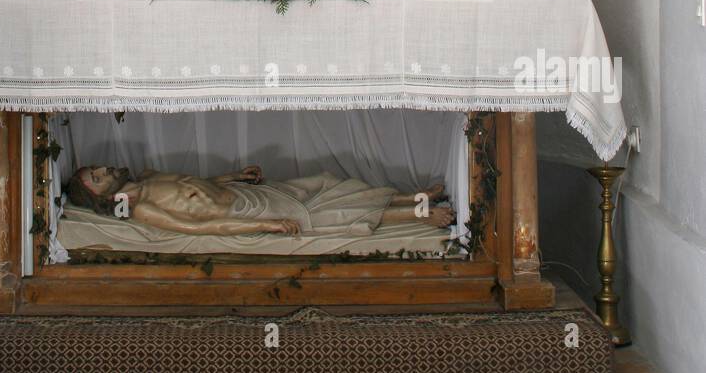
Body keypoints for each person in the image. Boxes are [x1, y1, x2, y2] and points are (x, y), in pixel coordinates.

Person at [66, 163, 455, 237]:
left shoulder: (147, 176)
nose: (104, 171)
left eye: (97, 169)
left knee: (326, 182)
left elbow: (195, 182)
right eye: (97, 179)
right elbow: (202, 227)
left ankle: (412, 196)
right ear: (102, 197)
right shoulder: (143, 208)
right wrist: (263, 225)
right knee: (335, 213)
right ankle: (420, 215)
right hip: (243, 211)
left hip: (245, 193)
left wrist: (232, 175)